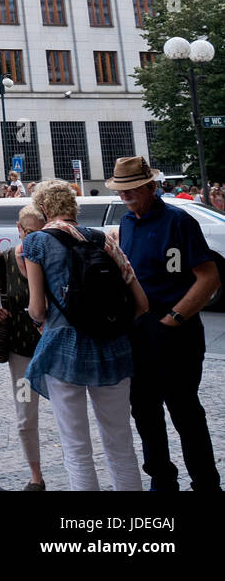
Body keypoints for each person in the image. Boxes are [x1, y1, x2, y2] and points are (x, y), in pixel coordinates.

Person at [22, 179, 147, 491]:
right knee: (120, 442)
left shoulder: (36, 242)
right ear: (73, 206)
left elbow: (37, 309)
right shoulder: (103, 239)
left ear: (43, 209)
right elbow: (142, 304)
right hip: (113, 349)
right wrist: (108, 325)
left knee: (76, 446)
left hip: (64, 350)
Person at [110, 156, 222, 491]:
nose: (125, 195)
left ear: (150, 186)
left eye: (131, 189)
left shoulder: (179, 221)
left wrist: (174, 318)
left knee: (185, 411)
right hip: (139, 333)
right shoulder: (127, 223)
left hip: (177, 333)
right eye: (121, 189)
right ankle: (162, 477)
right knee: (144, 411)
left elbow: (209, 276)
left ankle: (206, 483)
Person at [0, 205, 47, 491]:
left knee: (70, 413)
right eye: (29, 232)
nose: (34, 238)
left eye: (40, 232)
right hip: (20, 353)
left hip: (53, 352)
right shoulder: (4, 259)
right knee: (25, 415)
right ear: (18, 229)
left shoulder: (50, 257)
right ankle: (36, 477)